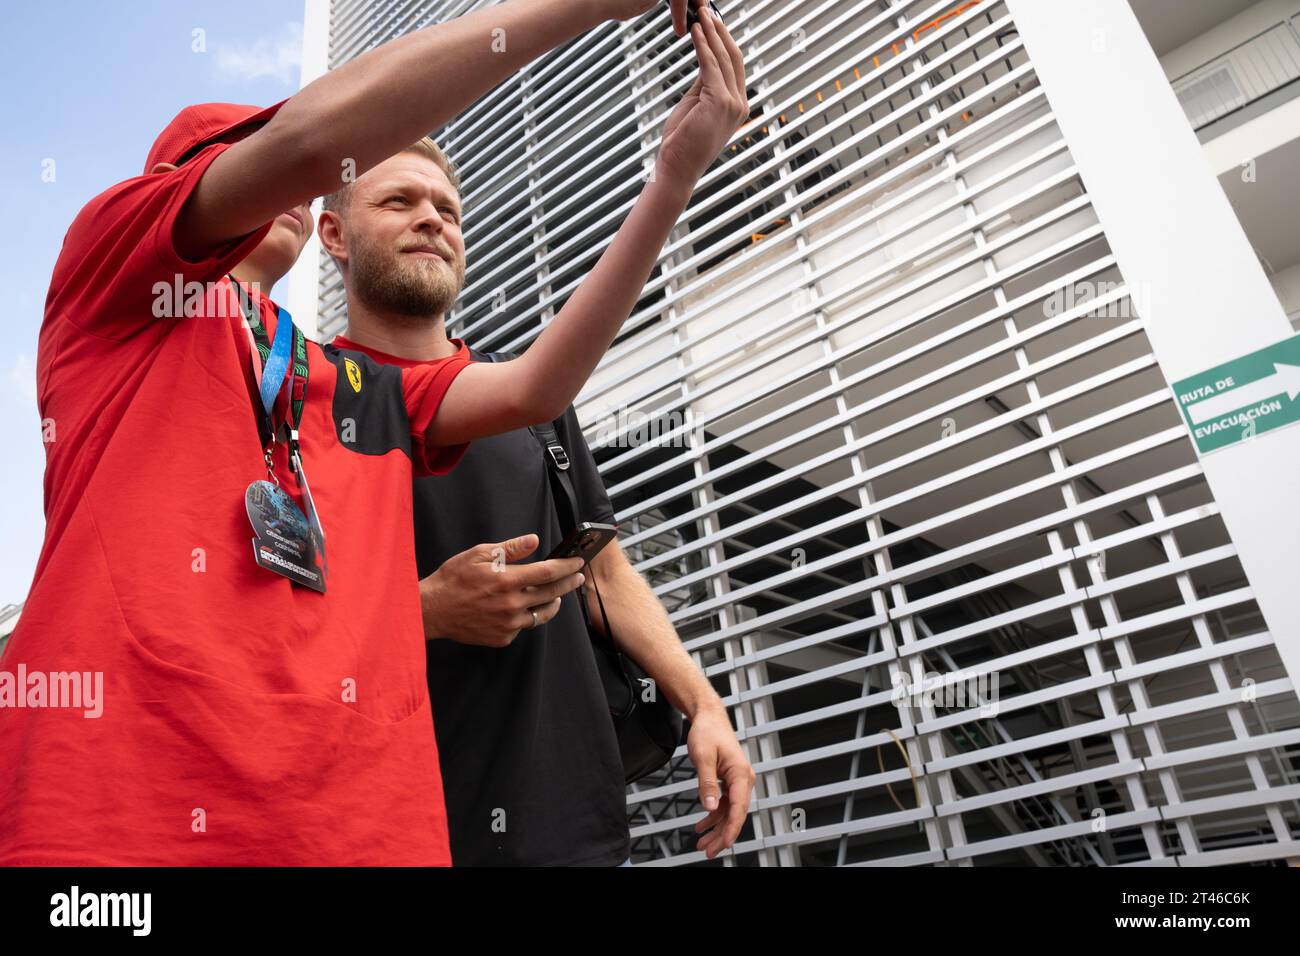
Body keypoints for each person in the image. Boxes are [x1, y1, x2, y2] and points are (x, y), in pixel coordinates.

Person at [0, 0, 709, 866]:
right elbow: (307, 144)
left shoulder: (337, 376)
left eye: (445, 206)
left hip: (343, 821)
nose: (288, 187)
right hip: (125, 808)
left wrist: (672, 179)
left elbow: (535, 386)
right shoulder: (118, 283)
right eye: (244, 158)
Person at [320, 1, 754, 867]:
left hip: (574, 825)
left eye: (445, 206)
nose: (431, 218)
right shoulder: (302, 397)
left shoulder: (533, 403)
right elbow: (257, 632)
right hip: (394, 830)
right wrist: (425, 613)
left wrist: (704, 702)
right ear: (333, 234)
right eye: (397, 199)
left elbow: (604, 566)